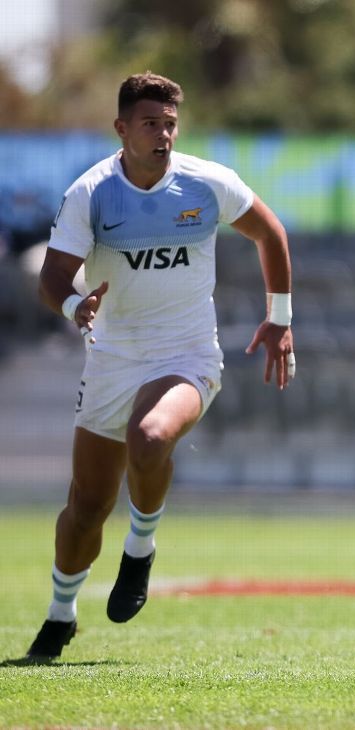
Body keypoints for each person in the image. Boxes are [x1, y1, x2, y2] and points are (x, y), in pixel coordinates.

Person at [23, 72, 295, 662]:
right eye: (150, 123)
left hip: (188, 354)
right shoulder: (91, 194)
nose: (163, 134)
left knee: (149, 440)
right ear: (122, 129)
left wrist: (280, 317)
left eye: (170, 123)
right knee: (85, 508)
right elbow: (51, 277)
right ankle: (60, 613)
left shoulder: (205, 183)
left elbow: (269, 232)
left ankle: (140, 549)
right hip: (113, 359)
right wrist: (74, 305)